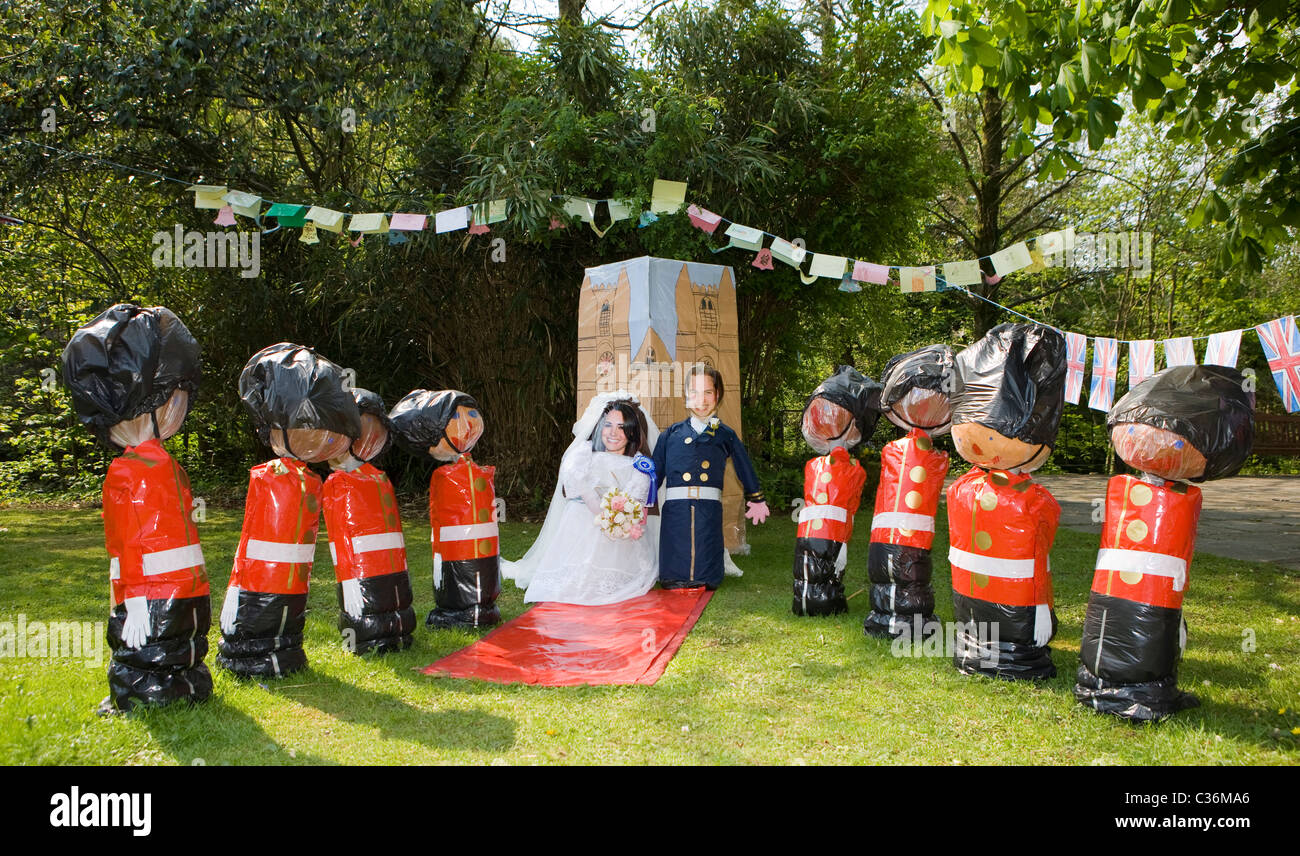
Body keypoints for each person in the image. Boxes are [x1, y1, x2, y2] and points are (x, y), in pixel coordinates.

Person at [503, 391, 661, 605]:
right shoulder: (584, 453)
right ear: (599, 427)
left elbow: (637, 495)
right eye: (608, 425)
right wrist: (598, 508)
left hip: (619, 532)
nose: (613, 433)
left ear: (632, 432)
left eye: (622, 427)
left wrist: (617, 515)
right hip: (582, 525)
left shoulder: (639, 464)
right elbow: (574, 480)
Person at [653, 365, 770, 589]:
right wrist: (639, 503)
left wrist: (756, 497)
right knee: (677, 542)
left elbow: (743, 465)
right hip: (676, 509)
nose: (702, 399)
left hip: (709, 506)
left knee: (706, 541)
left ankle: (708, 575)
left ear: (718, 395)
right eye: (694, 392)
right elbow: (654, 476)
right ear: (686, 395)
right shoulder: (670, 435)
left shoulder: (725, 434)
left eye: (708, 392)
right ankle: (673, 576)